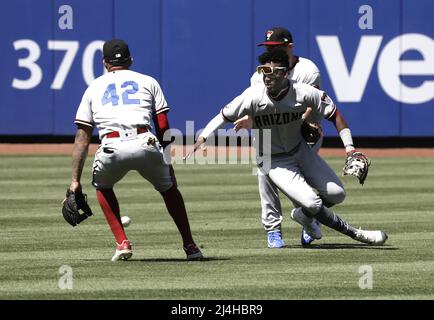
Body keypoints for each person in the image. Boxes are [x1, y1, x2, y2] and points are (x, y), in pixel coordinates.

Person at [187, 48, 388, 247]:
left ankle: (302, 215)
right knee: (312, 203)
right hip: (274, 160)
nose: (266, 77)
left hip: (300, 149)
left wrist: (350, 148)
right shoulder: (252, 96)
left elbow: (335, 115)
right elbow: (223, 116)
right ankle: (357, 234)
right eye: (263, 71)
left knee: (337, 194)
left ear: (284, 73)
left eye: (272, 72)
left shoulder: (303, 92)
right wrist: (203, 136)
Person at [69, 39, 203, 261]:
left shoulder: (93, 87)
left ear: (104, 62)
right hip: (145, 142)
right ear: (131, 60)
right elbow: (162, 125)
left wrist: (75, 180)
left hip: (111, 147)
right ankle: (190, 245)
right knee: (169, 189)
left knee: (102, 186)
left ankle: (122, 243)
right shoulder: (148, 81)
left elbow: (82, 138)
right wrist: (167, 157)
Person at [234, 27, 359, 248]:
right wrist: (249, 119)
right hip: (268, 134)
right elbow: (258, 105)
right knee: (266, 179)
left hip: (304, 134)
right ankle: (273, 229)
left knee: (314, 185)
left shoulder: (308, 70)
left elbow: (313, 105)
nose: (273, 51)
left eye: (277, 47)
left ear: (289, 46)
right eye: (268, 48)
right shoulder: (258, 75)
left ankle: (306, 216)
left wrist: (304, 122)